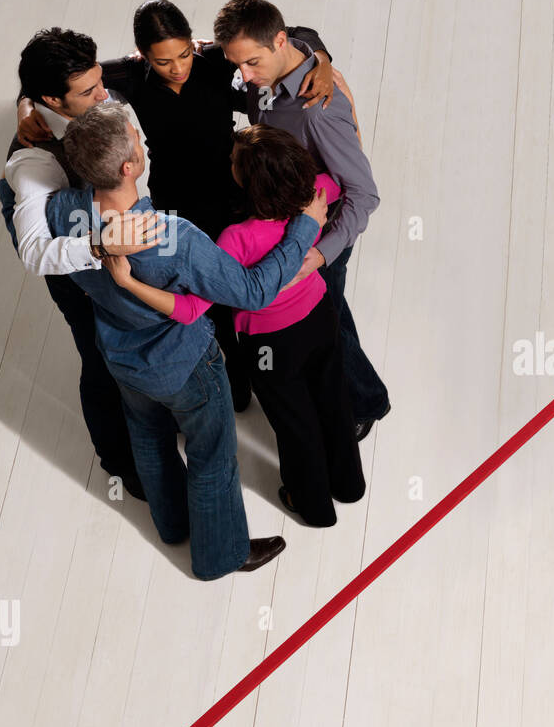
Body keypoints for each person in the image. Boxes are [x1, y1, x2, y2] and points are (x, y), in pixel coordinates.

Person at [23, 102, 328, 580]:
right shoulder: (173, 236)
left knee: (148, 436)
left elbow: (13, 195)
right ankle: (219, 557)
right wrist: (306, 226)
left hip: (122, 357)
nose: (142, 142)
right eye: (136, 140)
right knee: (212, 455)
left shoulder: (64, 212)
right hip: (184, 365)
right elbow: (252, 290)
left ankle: (171, 526)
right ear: (130, 167)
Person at [15, 0, 346, 413]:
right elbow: (45, 81)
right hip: (177, 205)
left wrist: (322, 60)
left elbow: (294, 37)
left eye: (184, 53)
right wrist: (25, 106)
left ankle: (271, 361)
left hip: (235, 190)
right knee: (203, 295)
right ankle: (235, 378)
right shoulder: (130, 76)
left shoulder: (215, 61)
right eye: (163, 60)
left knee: (245, 278)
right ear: (142, 56)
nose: (177, 67)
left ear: (194, 43)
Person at [107, 124, 366, 528]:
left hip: (271, 347)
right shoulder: (313, 194)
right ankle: (350, 484)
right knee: (332, 397)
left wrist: (129, 282)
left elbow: (192, 309)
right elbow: (344, 181)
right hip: (320, 317)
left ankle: (313, 505)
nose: (228, 163)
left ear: (248, 180)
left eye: (233, 162)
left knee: (295, 423)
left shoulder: (234, 239)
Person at [214, 0, 390, 440]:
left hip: (319, 236)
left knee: (329, 318)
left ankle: (364, 401)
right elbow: (306, 37)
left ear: (278, 41)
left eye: (251, 63)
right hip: (287, 223)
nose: (244, 77)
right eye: (237, 65)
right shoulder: (271, 66)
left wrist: (319, 254)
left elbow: (364, 194)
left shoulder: (319, 110)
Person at [0, 27, 164, 500]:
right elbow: (32, 251)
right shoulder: (33, 160)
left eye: (99, 81)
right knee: (100, 356)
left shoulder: (92, 90)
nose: (106, 94)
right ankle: (120, 460)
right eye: (90, 91)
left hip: (132, 246)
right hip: (80, 273)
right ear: (53, 99)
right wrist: (101, 245)